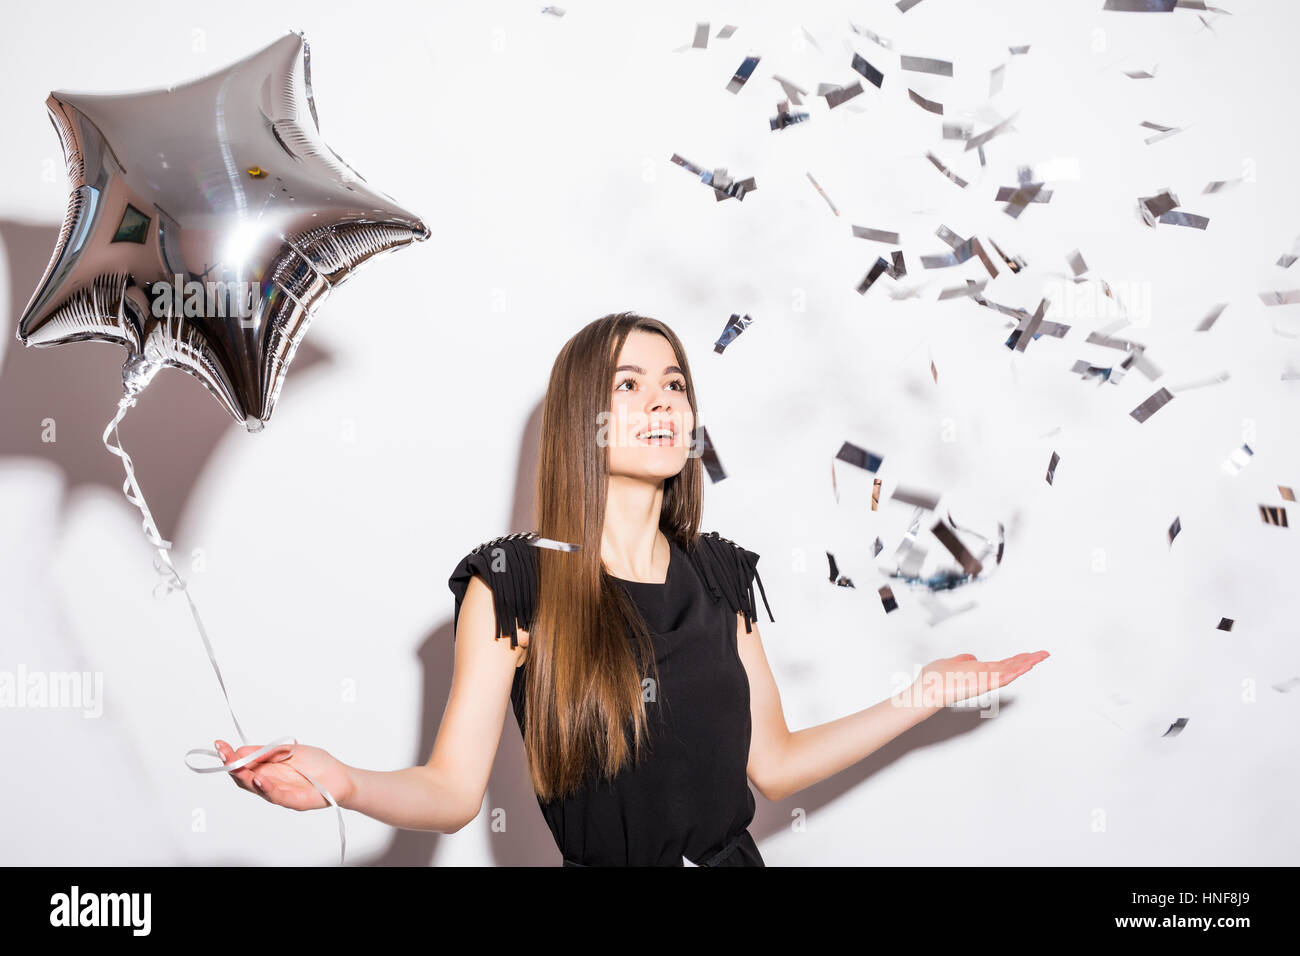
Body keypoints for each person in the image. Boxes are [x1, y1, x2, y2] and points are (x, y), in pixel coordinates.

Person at [216, 311, 1049, 866]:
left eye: (676, 384)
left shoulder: (721, 573)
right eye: (630, 384)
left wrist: (925, 693)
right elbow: (451, 792)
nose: (662, 402)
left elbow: (778, 765)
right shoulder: (511, 584)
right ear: (586, 414)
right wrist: (345, 782)